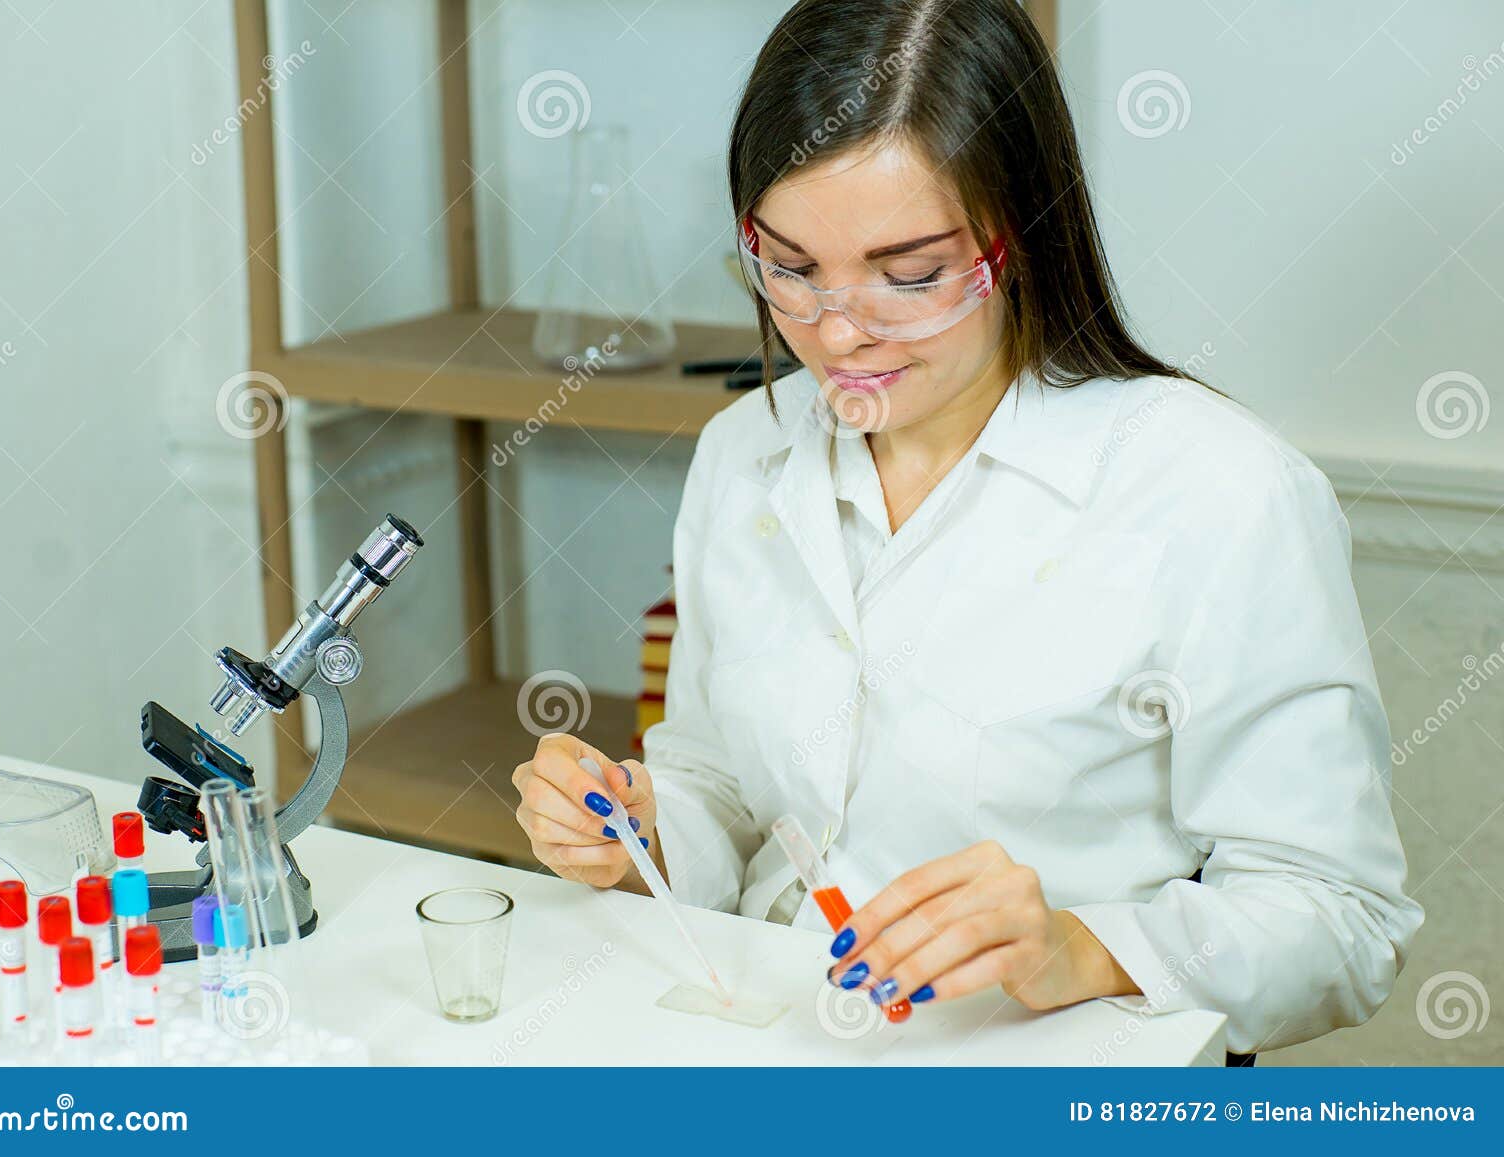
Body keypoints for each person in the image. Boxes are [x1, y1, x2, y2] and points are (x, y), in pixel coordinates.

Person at [511, 0, 1420, 1054]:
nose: (838, 332)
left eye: (909, 277)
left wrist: (1076, 947)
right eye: (792, 269)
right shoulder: (743, 450)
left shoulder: (1217, 490)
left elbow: (1341, 921)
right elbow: (721, 782)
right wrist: (632, 824)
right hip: (772, 1042)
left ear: (1020, 238)